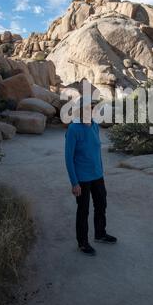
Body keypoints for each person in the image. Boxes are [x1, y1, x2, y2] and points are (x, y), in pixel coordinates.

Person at [65, 97, 117, 255]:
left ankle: (100, 233)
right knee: (83, 210)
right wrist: (74, 183)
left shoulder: (94, 125)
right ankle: (82, 242)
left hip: (97, 175)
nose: (91, 110)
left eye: (92, 108)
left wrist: (100, 171)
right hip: (82, 178)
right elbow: (68, 158)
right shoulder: (73, 129)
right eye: (87, 108)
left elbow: (96, 151)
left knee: (101, 204)